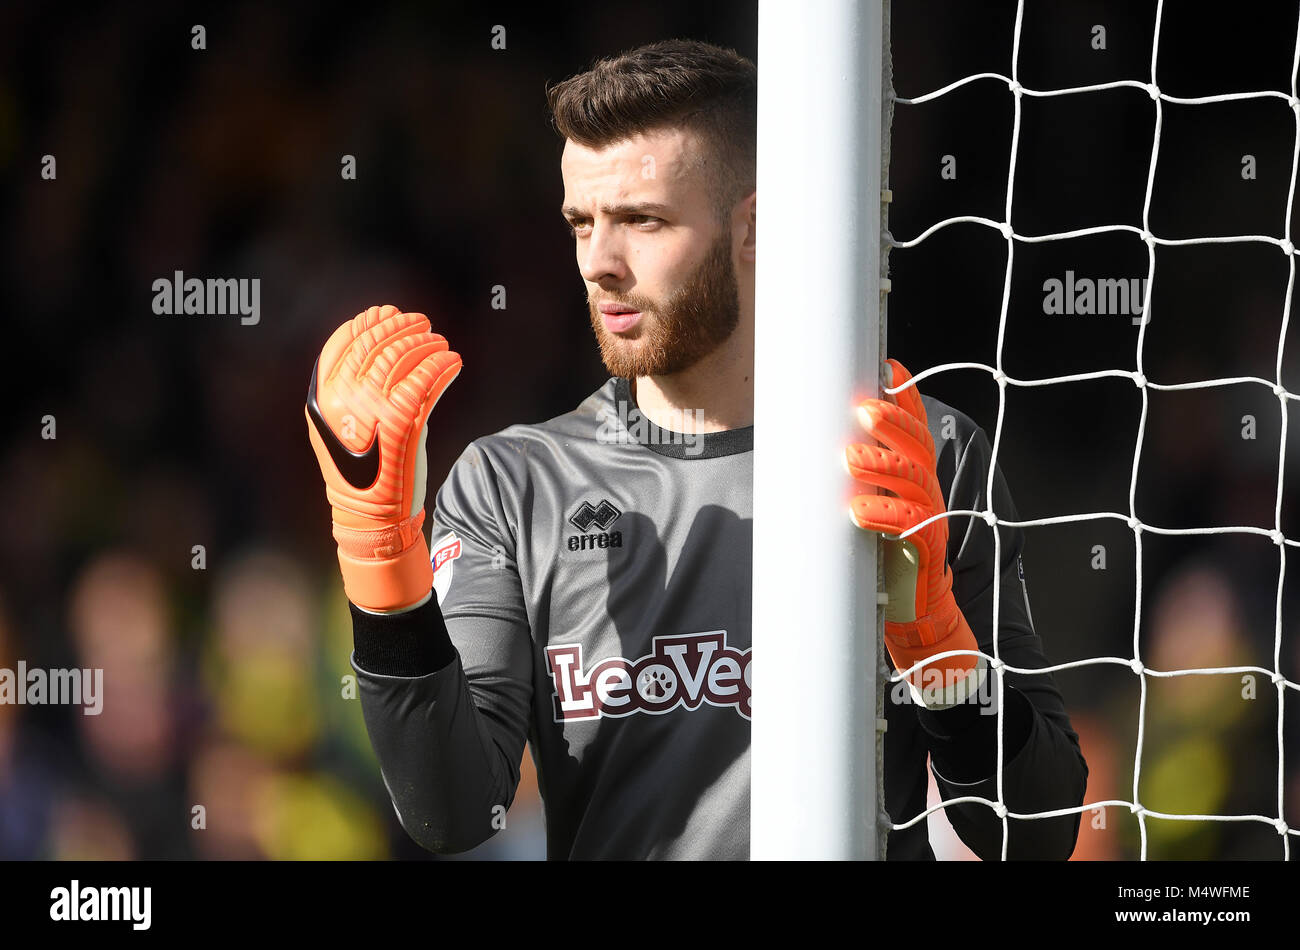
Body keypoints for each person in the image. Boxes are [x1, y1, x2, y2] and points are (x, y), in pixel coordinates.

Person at [303, 38, 1088, 860]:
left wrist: (939, 650)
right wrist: (380, 566)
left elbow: (1035, 835)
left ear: (756, 226)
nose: (600, 264)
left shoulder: (913, 452)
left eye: (642, 221)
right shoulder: (513, 484)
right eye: (581, 222)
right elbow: (454, 813)